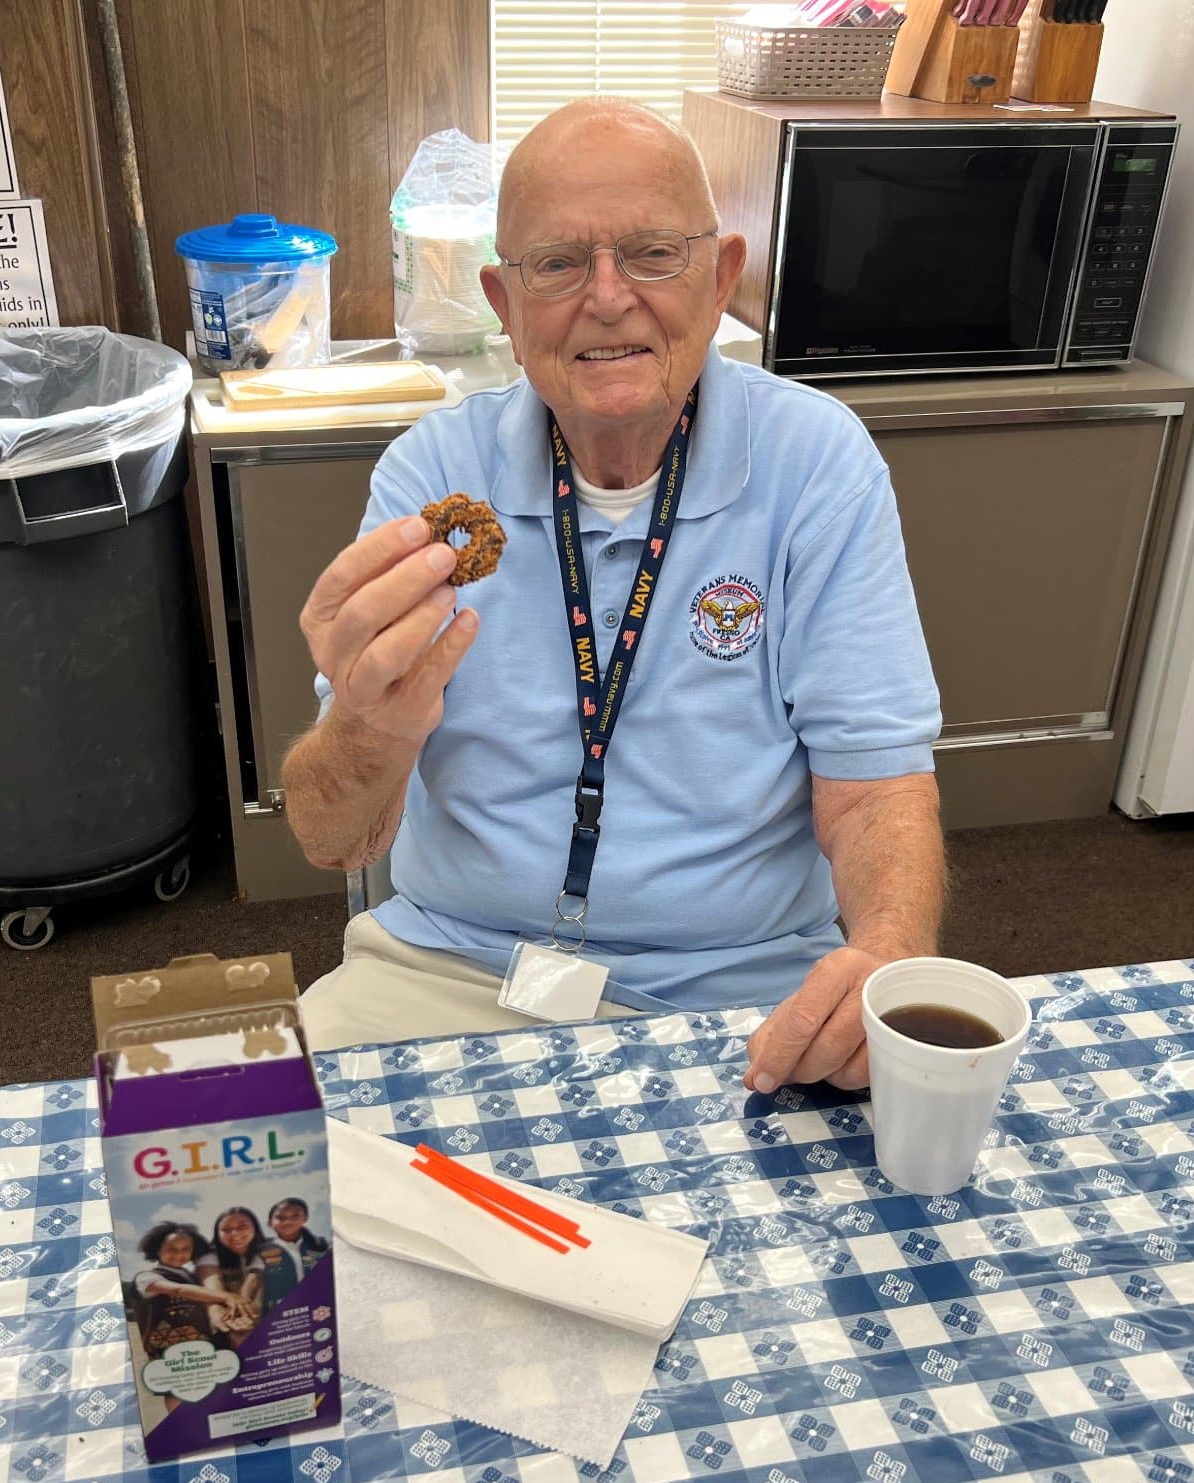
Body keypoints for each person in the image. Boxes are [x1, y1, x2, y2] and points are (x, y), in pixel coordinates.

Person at [284, 97, 944, 1095]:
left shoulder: (814, 463)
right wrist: (368, 727)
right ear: (503, 307)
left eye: (650, 252)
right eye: (556, 263)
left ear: (719, 277)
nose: (605, 297)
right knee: (279, 1210)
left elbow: (874, 793)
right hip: (448, 964)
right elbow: (333, 839)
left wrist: (887, 958)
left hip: (740, 982)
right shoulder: (430, 479)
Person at [131, 1221, 254, 1408]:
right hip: (169, 1349)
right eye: (171, 1249)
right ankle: (179, 1428)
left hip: (201, 1345)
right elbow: (180, 1290)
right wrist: (226, 1296)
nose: (179, 1254)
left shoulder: (193, 1276)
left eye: (185, 1249)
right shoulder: (146, 1277)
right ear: (157, 1250)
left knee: (208, 1391)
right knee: (176, 1391)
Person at [210, 1206, 303, 1346]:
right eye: (226, 1230)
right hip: (226, 1327)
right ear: (217, 1233)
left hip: (268, 1324)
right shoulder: (210, 1256)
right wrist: (228, 1314)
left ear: (255, 1227)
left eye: (242, 1226)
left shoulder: (270, 1248)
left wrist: (242, 1309)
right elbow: (212, 1285)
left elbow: (253, 1278)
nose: (235, 1233)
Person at [268, 1197, 331, 1267]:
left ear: (305, 1218)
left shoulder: (324, 1246)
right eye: (280, 1217)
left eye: (295, 1216)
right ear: (270, 1223)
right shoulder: (262, 1251)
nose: (288, 1222)